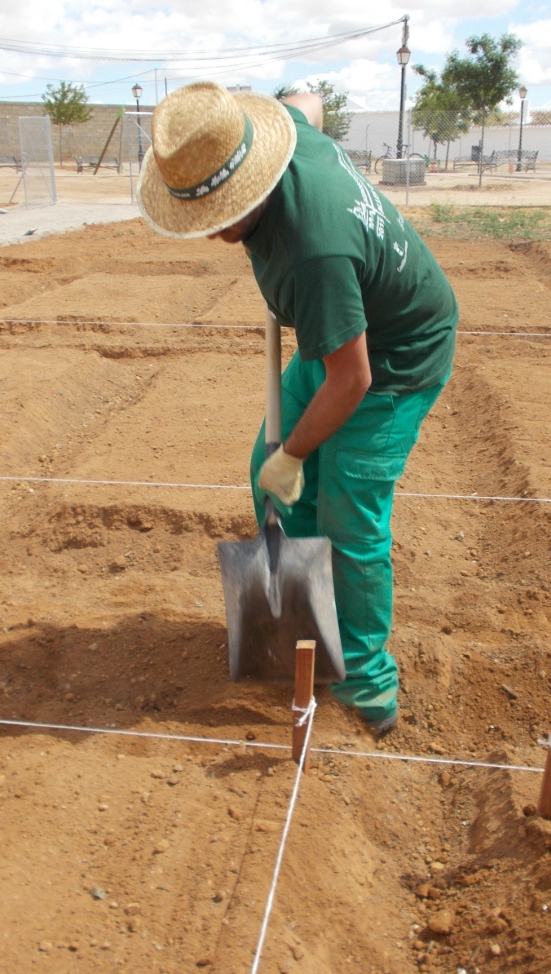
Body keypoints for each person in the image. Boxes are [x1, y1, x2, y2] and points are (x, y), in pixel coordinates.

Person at [137, 82, 459, 738]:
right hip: (339, 330)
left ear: (250, 193)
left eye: (217, 218)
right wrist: (282, 459)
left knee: (348, 506)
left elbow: (352, 380)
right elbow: (305, 101)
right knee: (270, 469)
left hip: (393, 356)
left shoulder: (313, 251)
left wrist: (297, 453)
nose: (210, 236)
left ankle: (367, 681)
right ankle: (307, 626)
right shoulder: (272, 130)